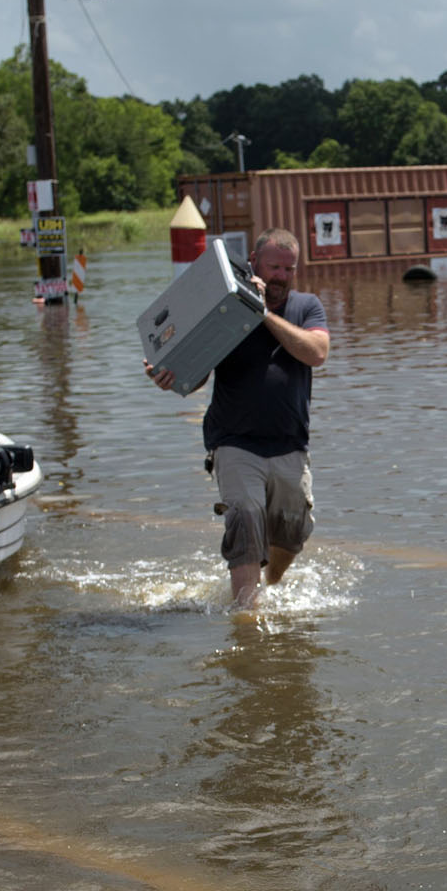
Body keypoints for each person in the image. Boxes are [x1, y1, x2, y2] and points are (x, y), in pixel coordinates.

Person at [146, 226, 331, 609]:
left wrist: (262, 314)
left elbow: (316, 352)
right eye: (274, 267)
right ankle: (248, 618)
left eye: (289, 269)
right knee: (246, 516)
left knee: (292, 530)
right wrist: (171, 377)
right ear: (253, 264)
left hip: (289, 442)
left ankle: (272, 583)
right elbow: (196, 373)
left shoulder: (306, 307)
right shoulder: (225, 307)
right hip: (234, 441)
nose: (281, 275)